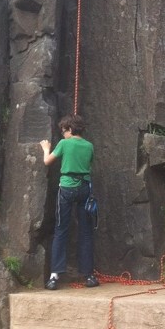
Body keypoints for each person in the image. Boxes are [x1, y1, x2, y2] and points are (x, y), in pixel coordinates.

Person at [40, 114, 99, 290]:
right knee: (86, 231)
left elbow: (47, 161)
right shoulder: (89, 146)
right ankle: (88, 275)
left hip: (66, 188)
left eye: (64, 131)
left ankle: (54, 276)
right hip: (84, 189)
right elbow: (89, 164)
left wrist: (46, 148)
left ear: (70, 129)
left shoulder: (64, 144)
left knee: (61, 230)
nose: (63, 134)